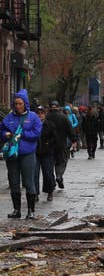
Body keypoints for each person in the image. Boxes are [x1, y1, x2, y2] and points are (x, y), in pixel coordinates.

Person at [1, 89, 42, 219]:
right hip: (12, 155)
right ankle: (16, 210)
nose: (17, 106)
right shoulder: (9, 117)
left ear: (25, 103)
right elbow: (1, 129)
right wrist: (5, 134)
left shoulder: (33, 117)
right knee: (13, 181)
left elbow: (36, 133)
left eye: (20, 103)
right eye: (15, 104)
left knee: (29, 181)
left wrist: (22, 134)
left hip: (27, 153)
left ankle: (31, 210)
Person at [47, 101, 75, 190]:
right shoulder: (64, 117)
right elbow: (70, 129)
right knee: (62, 161)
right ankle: (59, 175)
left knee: (49, 164)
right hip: (61, 143)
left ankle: (51, 183)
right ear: (58, 107)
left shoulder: (46, 117)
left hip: (48, 144)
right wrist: (74, 140)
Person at [34, 106, 57, 202]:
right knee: (34, 173)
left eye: (41, 113)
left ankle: (50, 191)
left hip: (47, 152)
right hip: (35, 152)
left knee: (48, 173)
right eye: (38, 113)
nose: (40, 115)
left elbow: (55, 138)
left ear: (45, 114)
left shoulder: (50, 125)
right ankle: (35, 193)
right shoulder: (33, 125)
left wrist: (49, 143)